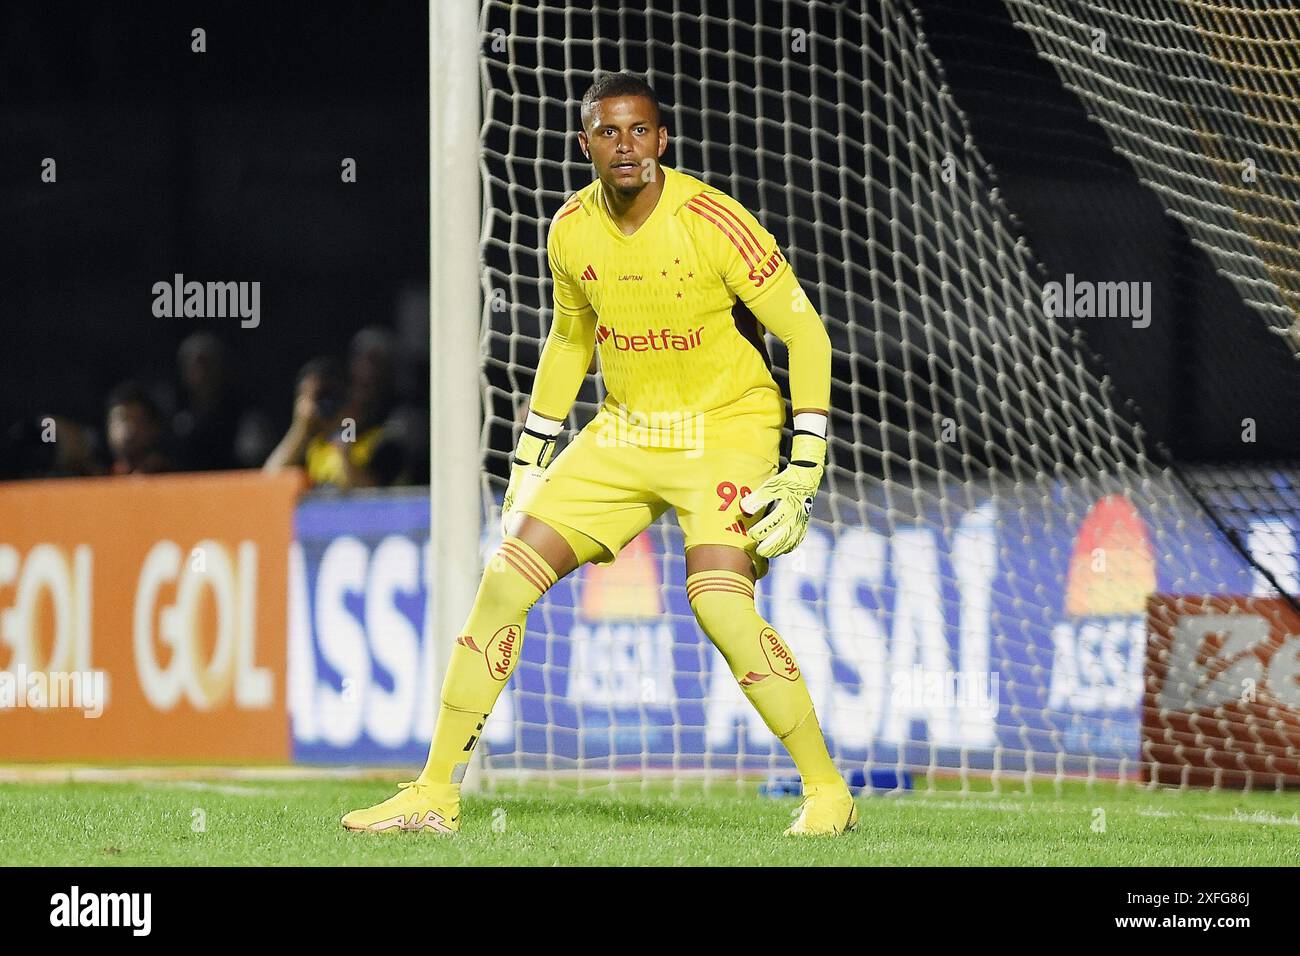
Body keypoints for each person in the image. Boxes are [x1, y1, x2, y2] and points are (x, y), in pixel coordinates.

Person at [343, 73, 852, 836]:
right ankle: (435, 796)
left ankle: (827, 793)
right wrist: (532, 452)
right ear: (585, 143)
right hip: (625, 431)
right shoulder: (569, 229)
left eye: (639, 131)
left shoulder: (715, 221)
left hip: (725, 428)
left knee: (719, 602)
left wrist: (805, 461)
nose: (626, 146)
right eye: (608, 132)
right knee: (504, 583)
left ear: (662, 141)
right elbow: (569, 339)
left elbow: (806, 334)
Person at [106, 381, 172, 475]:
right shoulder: (99, 477)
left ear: (154, 428)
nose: (129, 430)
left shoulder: (172, 475)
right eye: (121, 421)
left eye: (137, 422)